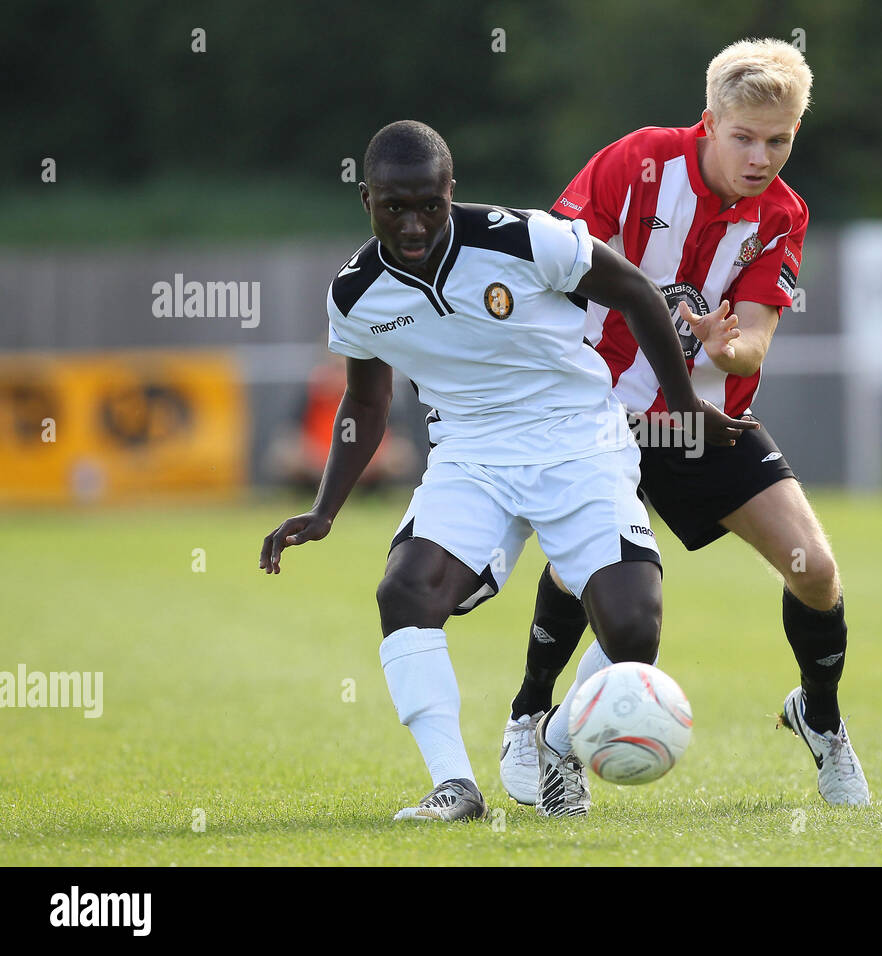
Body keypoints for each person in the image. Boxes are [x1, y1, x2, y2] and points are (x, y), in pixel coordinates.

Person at [258, 120, 754, 822]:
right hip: (473, 457)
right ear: (365, 198)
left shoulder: (524, 237)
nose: (413, 222)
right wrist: (326, 508)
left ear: (450, 191)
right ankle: (454, 786)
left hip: (578, 440)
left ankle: (553, 736)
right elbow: (366, 402)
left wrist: (684, 405)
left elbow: (639, 292)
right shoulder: (356, 294)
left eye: (429, 203)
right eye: (394, 205)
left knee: (635, 631)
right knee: (406, 593)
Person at [499, 38, 871, 809]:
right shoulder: (635, 162)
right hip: (599, 410)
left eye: (780, 140)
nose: (761, 156)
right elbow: (552, 264)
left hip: (703, 422)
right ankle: (532, 723)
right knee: (585, 566)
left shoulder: (783, 215)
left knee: (814, 570)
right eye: (745, 136)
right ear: (709, 122)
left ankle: (821, 719)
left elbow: (756, 341)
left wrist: (728, 347)